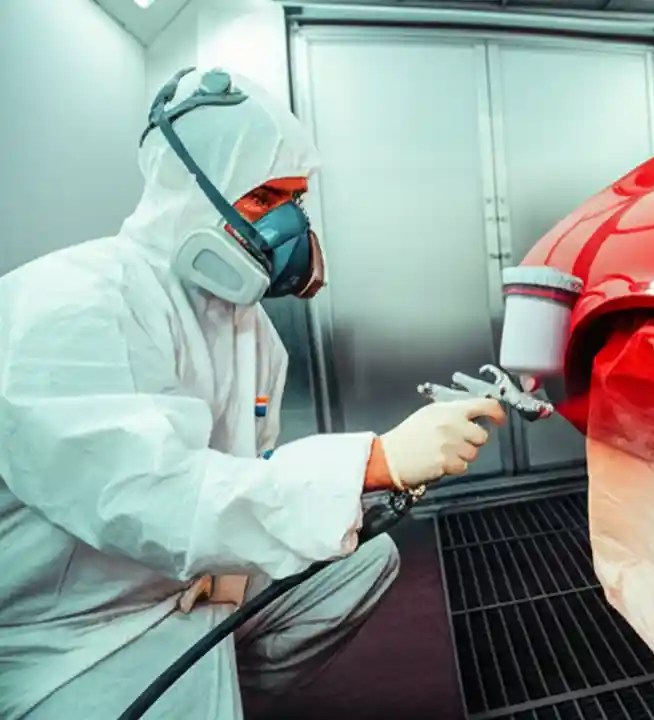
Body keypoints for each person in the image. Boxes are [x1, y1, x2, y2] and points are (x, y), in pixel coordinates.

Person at [0, 67, 506, 719]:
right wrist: (378, 462)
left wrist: (228, 564)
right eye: (266, 197)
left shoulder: (251, 331)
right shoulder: (74, 302)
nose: (289, 222)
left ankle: (232, 680)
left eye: (296, 197)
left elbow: (251, 467)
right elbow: (142, 495)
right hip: (71, 633)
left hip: (183, 572)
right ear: (192, 191)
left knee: (360, 559)